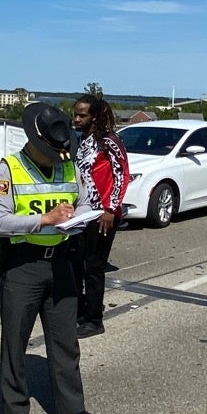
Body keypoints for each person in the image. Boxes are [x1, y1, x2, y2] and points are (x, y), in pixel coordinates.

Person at [0, 102, 105, 414]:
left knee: (65, 341)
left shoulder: (68, 165)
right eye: (50, 154)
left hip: (62, 263)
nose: (57, 159)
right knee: (15, 342)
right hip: (23, 265)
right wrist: (45, 220)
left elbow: (86, 200)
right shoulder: (8, 170)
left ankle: (72, 408)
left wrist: (79, 216)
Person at [71, 93, 130, 338]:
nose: (76, 119)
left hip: (102, 214)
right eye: (75, 114)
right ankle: (81, 310)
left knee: (94, 268)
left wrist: (110, 209)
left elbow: (121, 174)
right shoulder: (81, 139)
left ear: (94, 116)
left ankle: (94, 320)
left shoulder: (110, 141)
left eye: (82, 115)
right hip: (81, 213)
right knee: (77, 264)